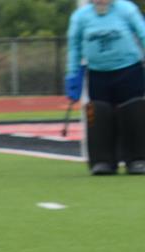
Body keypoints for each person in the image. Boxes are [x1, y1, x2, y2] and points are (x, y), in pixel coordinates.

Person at [65, 0, 145, 174]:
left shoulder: (127, 10)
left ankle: (138, 159)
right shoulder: (80, 17)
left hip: (129, 71)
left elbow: (143, 33)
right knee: (99, 115)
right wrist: (72, 75)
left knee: (134, 112)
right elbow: (74, 47)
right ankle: (102, 161)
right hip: (97, 74)